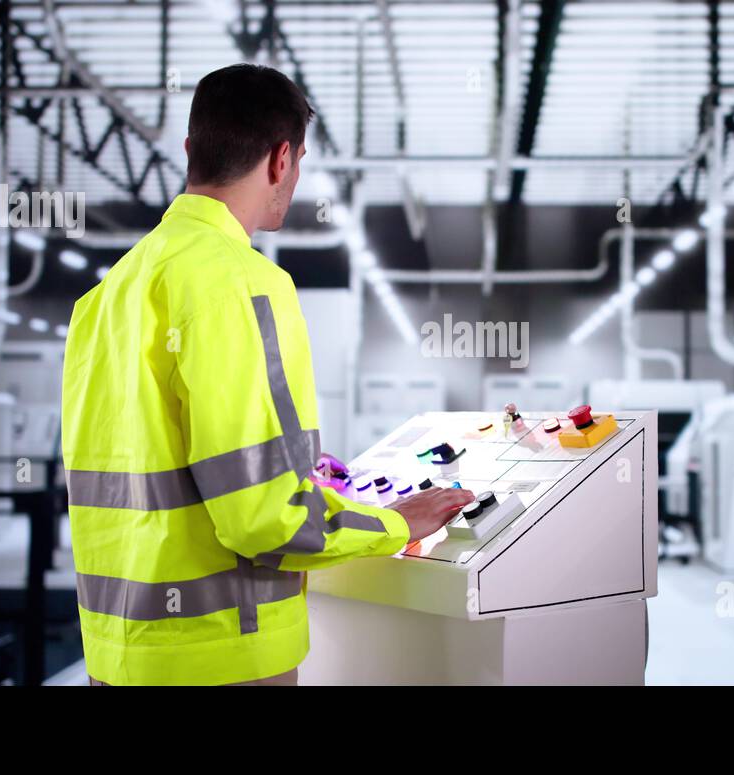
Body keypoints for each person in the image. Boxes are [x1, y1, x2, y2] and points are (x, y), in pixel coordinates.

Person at [61, 63, 473, 685]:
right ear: (282, 160)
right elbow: (262, 519)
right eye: (300, 161)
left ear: (190, 151)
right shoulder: (244, 284)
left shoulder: (107, 296)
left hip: (120, 652)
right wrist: (395, 522)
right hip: (221, 653)